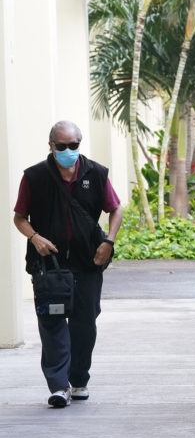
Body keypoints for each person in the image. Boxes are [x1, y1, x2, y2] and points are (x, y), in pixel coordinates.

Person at [12, 121, 122, 408]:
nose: (68, 151)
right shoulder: (35, 177)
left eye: (74, 146)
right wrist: (35, 238)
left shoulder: (95, 173)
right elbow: (19, 217)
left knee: (85, 322)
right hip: (50, 265)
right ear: (50, 146)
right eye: (62, 146)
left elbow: (116, 208)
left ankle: (79, 379)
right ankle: (59, 386)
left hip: (88, 261)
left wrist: (107, 242)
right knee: (52, 322)